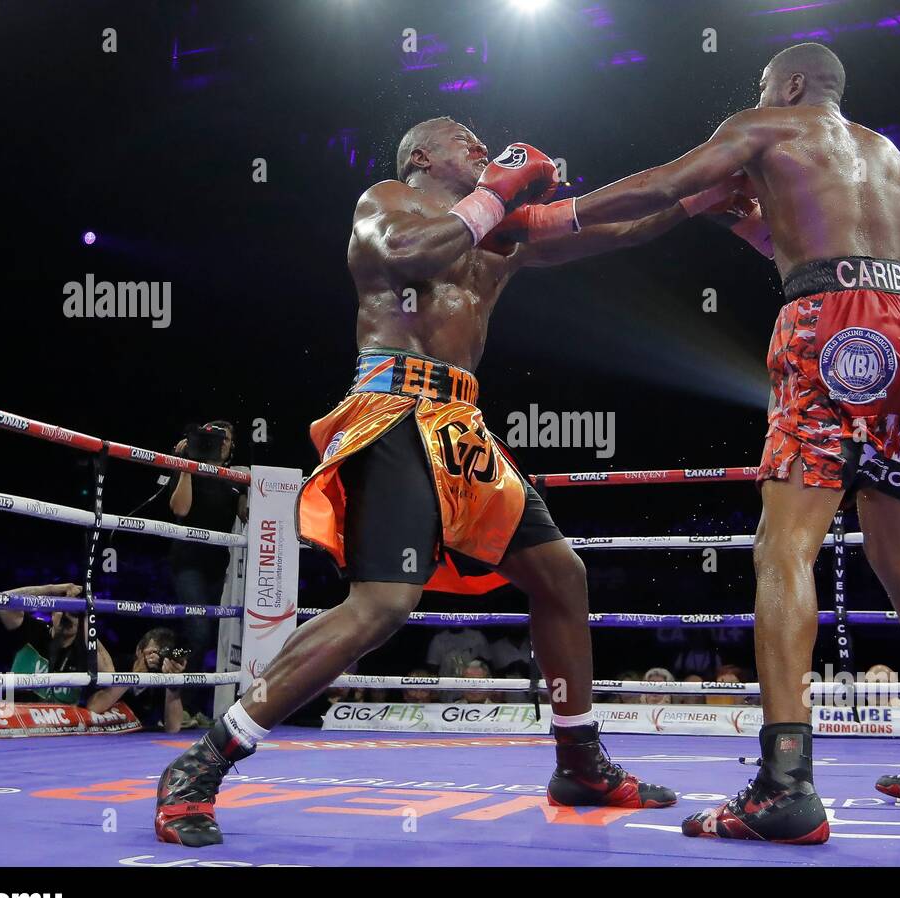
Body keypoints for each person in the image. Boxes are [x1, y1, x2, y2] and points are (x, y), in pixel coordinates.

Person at [155, 116, 742, 846]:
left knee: (562, 575)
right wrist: (496, 189)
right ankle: (204, 760)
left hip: (463, 428)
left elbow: (604, 227)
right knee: (382, 606)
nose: (481, 148)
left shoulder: (499, 228)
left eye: (483, 146)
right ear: (423, 156)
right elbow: (412, 256)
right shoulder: (387, 203)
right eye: (465, 140)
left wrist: (698, 199)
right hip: (393, 409)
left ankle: (579, 761)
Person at [504, 43, 900, 843]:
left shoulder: (765, 124)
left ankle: (784, 786)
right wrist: (740, 216)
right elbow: (813, 245)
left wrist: (542, 217)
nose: (756, 98)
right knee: (896, 553)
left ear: (793, 85)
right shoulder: (885, 154)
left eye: (765, 87)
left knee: (783, 550)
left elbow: (665, 183)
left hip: (830, 329)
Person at [167, 421, 246, 668]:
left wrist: (256, 489)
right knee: (199, 630)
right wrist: (186, 465)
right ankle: (178, 690)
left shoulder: (237, 478)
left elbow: (247, 515)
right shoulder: (187, 470)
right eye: (214, 438)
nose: (219, 444)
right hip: (188, 563)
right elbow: (180, 508)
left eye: (225, 439)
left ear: (232, 446)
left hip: (217, 566)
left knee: (203, 634)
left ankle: (171, 668)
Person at [0, 582, 117, 711]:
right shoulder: (33, 630)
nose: (66, 616)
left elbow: (110, 677)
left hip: (57, 727)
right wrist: (52, 589)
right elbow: (1, 601)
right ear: (52, 612)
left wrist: (87, 619)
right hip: (14, 718)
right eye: (62, 609)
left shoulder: (85, 650)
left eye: (73, 612)